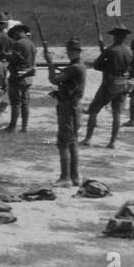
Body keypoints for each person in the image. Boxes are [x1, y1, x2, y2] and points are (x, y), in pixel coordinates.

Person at [83, 25, 134, 149]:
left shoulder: (110, 50)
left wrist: (105, 59)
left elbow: (97, 66)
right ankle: (112, 142)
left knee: (94, 110)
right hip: (124, 83)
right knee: (117, 114)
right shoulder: (129, 51)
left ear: (115, 36)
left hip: (110, 83)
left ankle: (88, 139)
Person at [47, 37, 86, 186]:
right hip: (73, 107)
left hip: (68, 108)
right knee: (72, 142)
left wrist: (50, 63)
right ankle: (74, 177)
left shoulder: (74, 68)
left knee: (63, 143)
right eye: (69, 50)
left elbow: (54, 80)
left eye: (72, 51)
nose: (69, 53)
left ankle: (65, 178)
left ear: (77, 52)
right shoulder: (78, 66)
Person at [4, 23, 37, 133]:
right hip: (28, 76)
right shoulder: (31, 44)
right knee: (25, 102)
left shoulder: (18, 44)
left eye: (13, 34)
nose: (13, 37)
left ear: (18, 31)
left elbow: (15, 59)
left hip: (18, 76)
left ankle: (12, 126)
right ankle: (24, 127)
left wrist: (5, 56)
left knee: (15, 103)